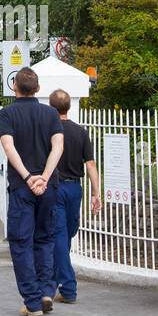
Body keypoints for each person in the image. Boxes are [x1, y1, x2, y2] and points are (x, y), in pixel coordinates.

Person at [0, 67, 64, 316]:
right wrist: (44, 177)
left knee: (21, 242)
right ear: (38, 89)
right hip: (48, 186)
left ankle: (33, 302)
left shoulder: (7, 114)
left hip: (21, 187)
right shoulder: (51, 114)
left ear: (15, 86)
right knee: (45, 239)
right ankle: (47, 290)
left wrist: (27, 177)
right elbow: (58, 147)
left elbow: (9, 148)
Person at [47, 89, 101, 304]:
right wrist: (96, 192)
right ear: (69, 107)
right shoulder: (81, 132)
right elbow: (90, 165)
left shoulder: (50, 132)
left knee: (62, 236)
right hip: (75, 189)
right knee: (66, 234)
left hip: (56, 188)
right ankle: (58, 283)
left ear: (51, 108)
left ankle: (67, 287)